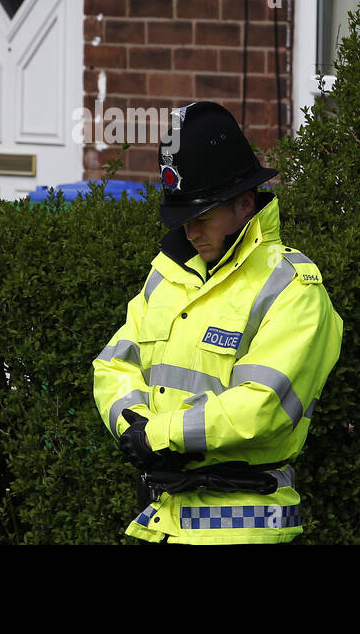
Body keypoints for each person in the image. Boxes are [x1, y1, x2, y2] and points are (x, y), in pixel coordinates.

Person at [91, 101, 344, 543]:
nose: (191, 233)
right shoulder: (167, 276)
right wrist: (134, 427)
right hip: (163, 522)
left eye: (202, 218)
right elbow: (113, 364)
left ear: (245, 204)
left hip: (243, 528)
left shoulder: (291, 288)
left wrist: (159, 435)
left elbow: (263, 406)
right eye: (183, 220)